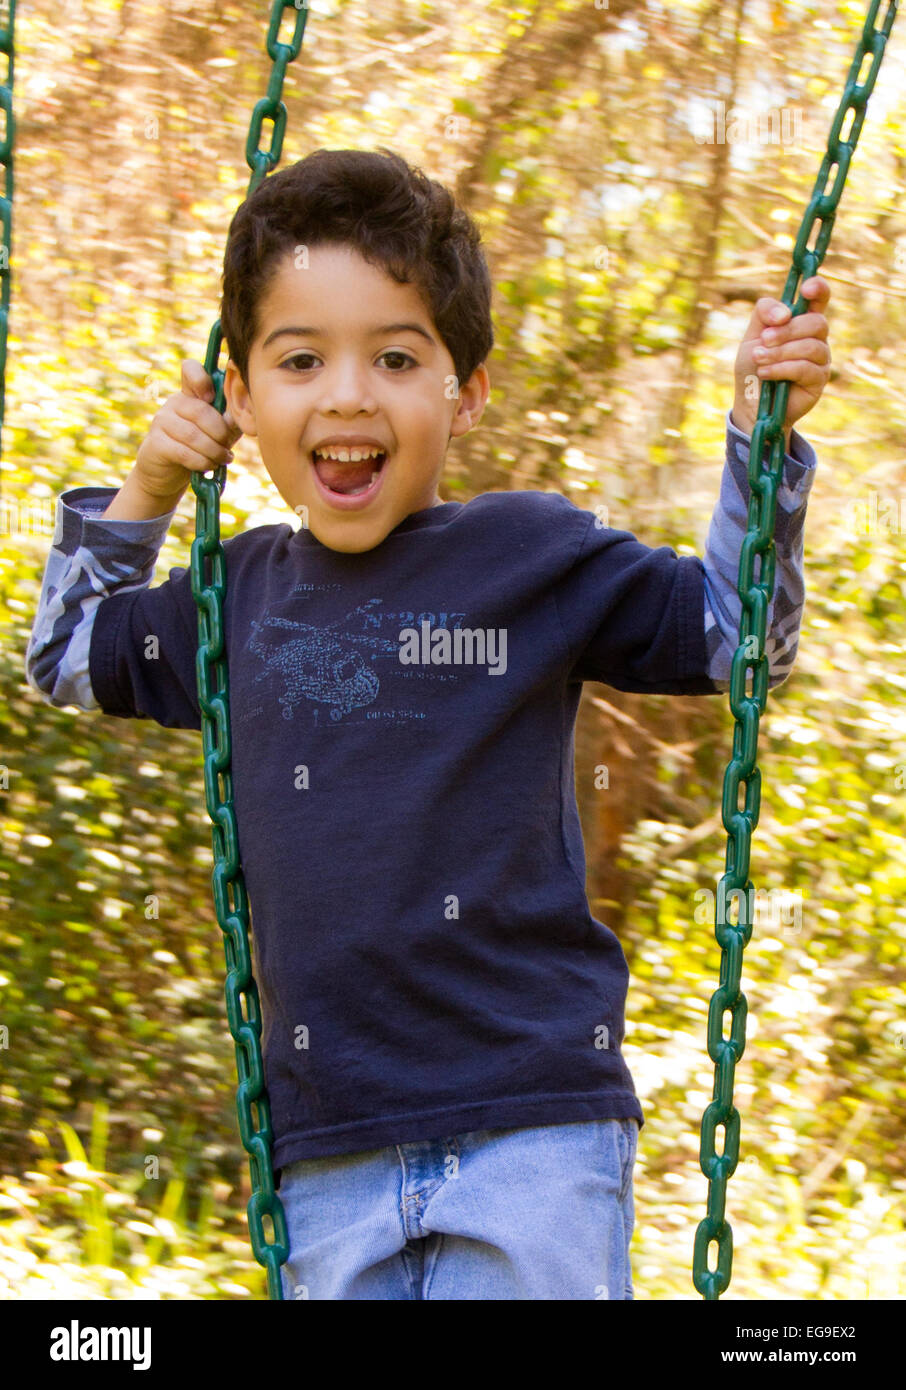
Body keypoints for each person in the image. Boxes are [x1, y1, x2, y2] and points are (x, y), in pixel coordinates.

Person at [25, 147, 831, 1300]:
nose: (348, 394)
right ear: (241, 398)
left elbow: (733, 637)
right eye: (301, 359)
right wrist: (150, 483)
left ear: (468, 391)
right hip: (327, 1146)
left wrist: (764, 437)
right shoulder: (233, 599)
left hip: (533, 1128)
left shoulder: (531, 553)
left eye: (398, 357)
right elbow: (61, 653)